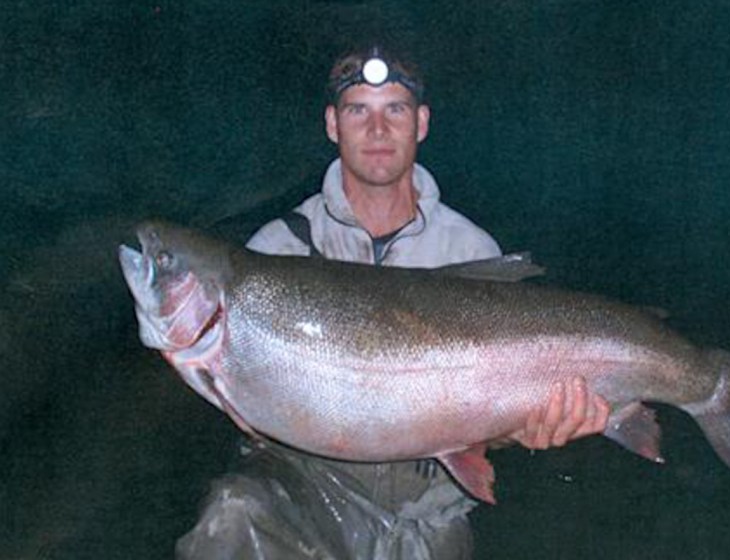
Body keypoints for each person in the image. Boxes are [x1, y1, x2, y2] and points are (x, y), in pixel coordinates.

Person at [177, 45, 609, 560]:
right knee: (231, 516)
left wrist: (528, 429)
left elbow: (489, 429)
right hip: (308, 489)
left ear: (421, 123)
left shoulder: (471, 250)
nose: (377, 130)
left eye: (395, 110)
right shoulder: (277, 249)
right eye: (358, 110)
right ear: (333, 125)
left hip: (427, 504)